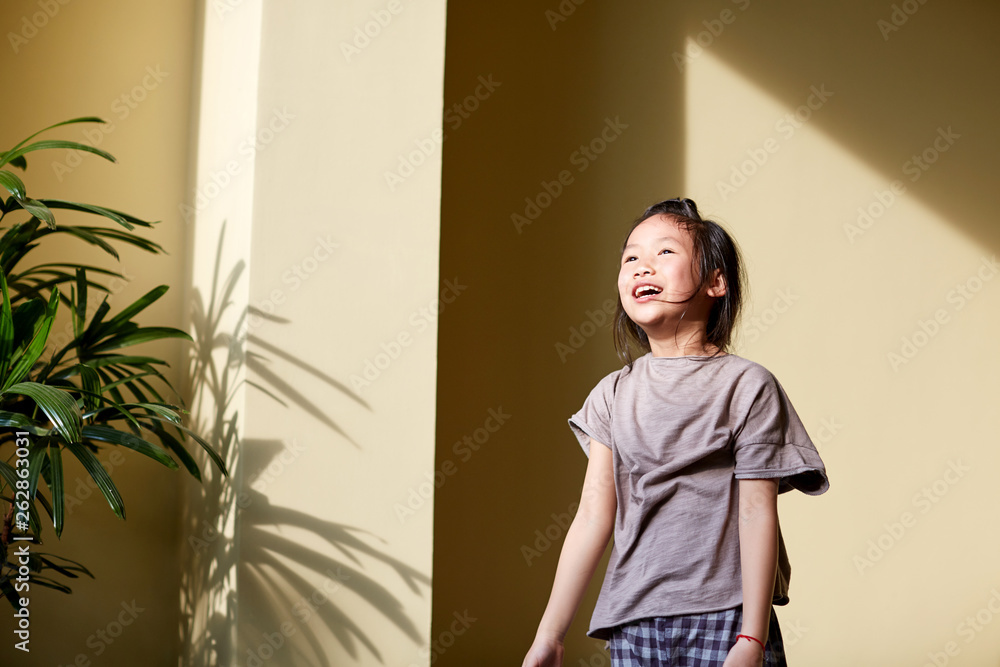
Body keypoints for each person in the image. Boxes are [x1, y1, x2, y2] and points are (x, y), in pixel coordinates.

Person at [522, 198, 829, 667]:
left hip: (724, 616)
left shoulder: (747, 386)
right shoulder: (612, 394)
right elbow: (591, 517)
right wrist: (550, 635)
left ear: (715, 281)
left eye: (664, 253)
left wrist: (752, 638)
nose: (643, 266)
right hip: (633, 621)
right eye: (631, 257)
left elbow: (756, 511)